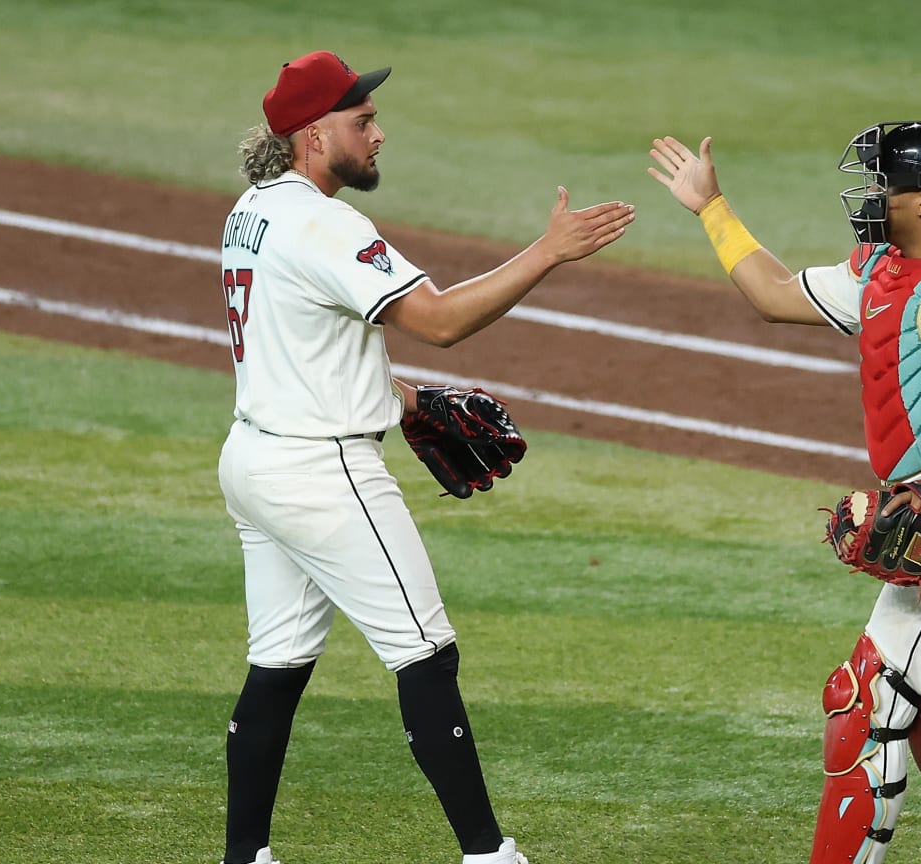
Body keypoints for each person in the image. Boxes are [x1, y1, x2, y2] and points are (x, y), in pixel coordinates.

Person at [216, 50, 634, 864]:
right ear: (312, 135)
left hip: (254, 462)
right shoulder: (326, 223)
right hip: (321, 472)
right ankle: (488, 855)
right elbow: (438, 320)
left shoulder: (252, 209)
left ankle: (244, 857)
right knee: (425, 653)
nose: (379, 134)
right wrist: (547, 251)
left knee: (278, 664)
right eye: (361, 120)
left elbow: (299, 338)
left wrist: (403, 400)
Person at [647, 122, 921, 864]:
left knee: (861, 705)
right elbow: (776, 296)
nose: (872, 197)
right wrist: (712, 208)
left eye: (887, 185)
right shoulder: (884, 271)